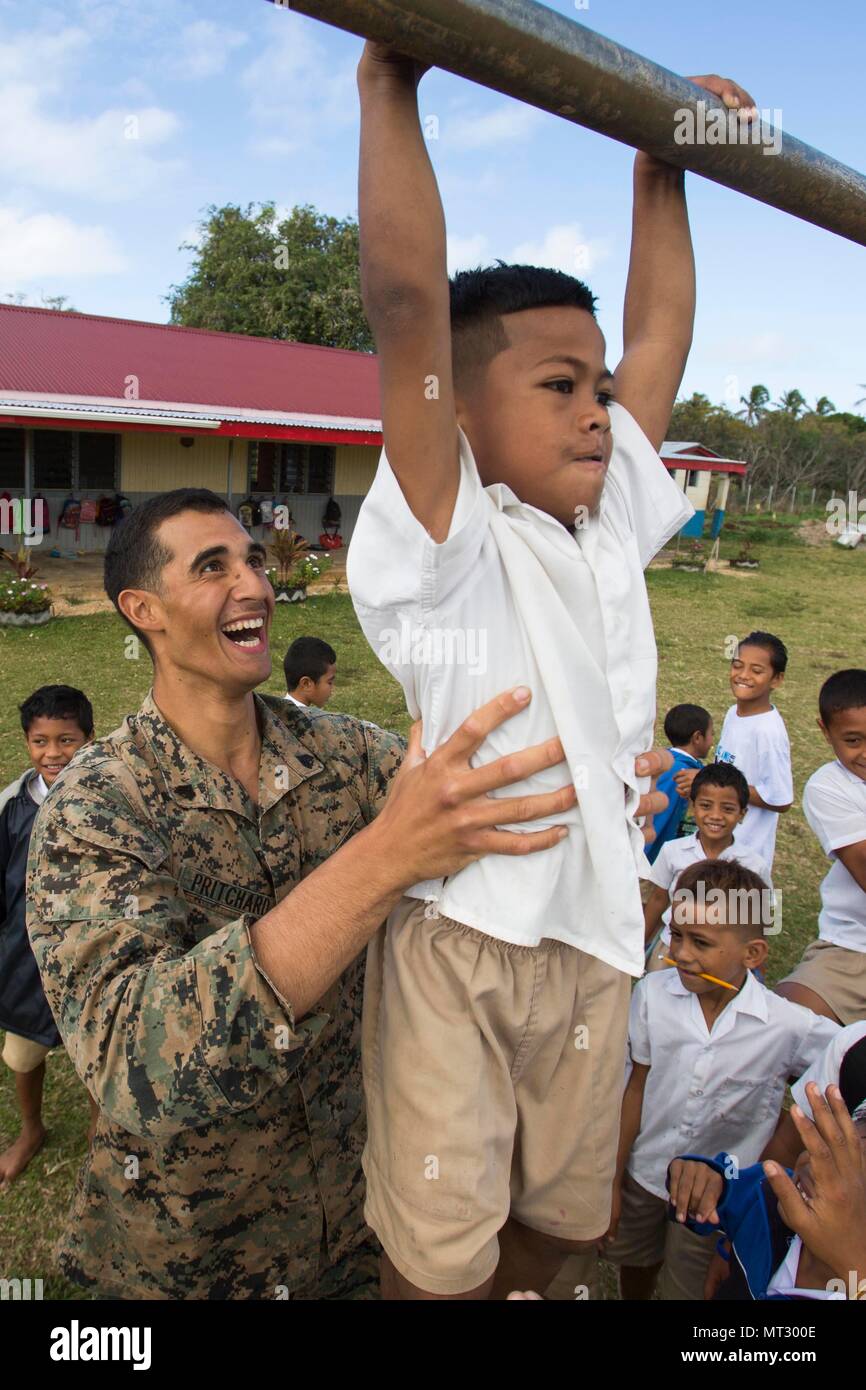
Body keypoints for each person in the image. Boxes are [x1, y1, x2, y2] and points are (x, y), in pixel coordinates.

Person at [347, 37, 756, 1300]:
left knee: (562, 1222)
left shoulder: (608, 523)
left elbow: (661, 328)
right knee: (441, 1247)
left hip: (589, 938)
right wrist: (390, 85)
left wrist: (664, 170)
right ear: (460, 417)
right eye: (559, 386)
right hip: (463, 941)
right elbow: (410, 303)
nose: (598, 410)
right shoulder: (447, 535)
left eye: (600, 392)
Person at [25, 487, 610, 1300]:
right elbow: (136, 1063)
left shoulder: (345, 752)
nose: (255, 586)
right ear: (142, 609)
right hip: (195, 1255)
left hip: (362, 1219)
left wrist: (591, 783)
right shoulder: (98, 806)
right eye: (213, 567)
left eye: (255, 561)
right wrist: (383, 859)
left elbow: (477, 801)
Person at [603, 859, 838, 1300]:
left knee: (687, 1286)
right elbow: (636, 1087)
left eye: (701, 942)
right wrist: (613, 1180)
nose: (681, 954)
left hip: (718, 1201)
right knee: (635, 1261)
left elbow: (844, 1062)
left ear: (752, 955)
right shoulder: (654, 994)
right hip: (646, 1174)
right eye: (675, 935)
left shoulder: (787, 1027)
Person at [0, 686, 98, 1185]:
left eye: (67, 740)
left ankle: (100, 1135)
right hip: (23, 964)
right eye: (41, 742)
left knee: (96, 1053)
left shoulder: (107, 802)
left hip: (89, 961)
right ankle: (32, 1129)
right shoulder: (12, 809)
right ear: (26, 743)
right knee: (22, 1054)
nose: (53, 753)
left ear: (89, 740)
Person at [669, 1079, 866, 1300]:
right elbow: (723, 1192)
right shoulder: (770, 1191)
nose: (816, 1165)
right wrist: (703, 1181)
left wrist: (857, 1272)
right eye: (827, 1143)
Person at [776, 669, 866, 1024]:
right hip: (853, 948)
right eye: (853, 740)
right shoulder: (829, 786)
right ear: (825, 731)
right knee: (784, 1022)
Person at [643, 763, 772, 971]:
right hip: (670, 952)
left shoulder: (754, 865)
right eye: (705, 805)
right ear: (693, 806)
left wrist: (757, 968)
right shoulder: (672, 851)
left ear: (742, 814)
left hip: (724, 959)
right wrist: (639, 945)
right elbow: (658, 900)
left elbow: (764, 917)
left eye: (728, 809)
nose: (715, 816)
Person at [707, 631, 793, 869]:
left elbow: (781, 799)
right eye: (737, 666)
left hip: (746, 854)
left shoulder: (768, 732)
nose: (743, 675)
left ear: (776, 679)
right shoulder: (732, 713)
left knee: (742, 906)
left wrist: (714, 785)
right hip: (718, 842)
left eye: (756, 671)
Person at [646, 704, 713, 863]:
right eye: (711, 734)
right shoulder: (680, 773)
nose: (712, 741)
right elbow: (659, 818)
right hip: (657, 860)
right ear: (697, 737)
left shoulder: (667, 762)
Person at [283, 636, 337, 708]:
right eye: (329, 682)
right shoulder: (306, 718)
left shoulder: (274, 713)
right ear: (306, 684)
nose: (332, 690)